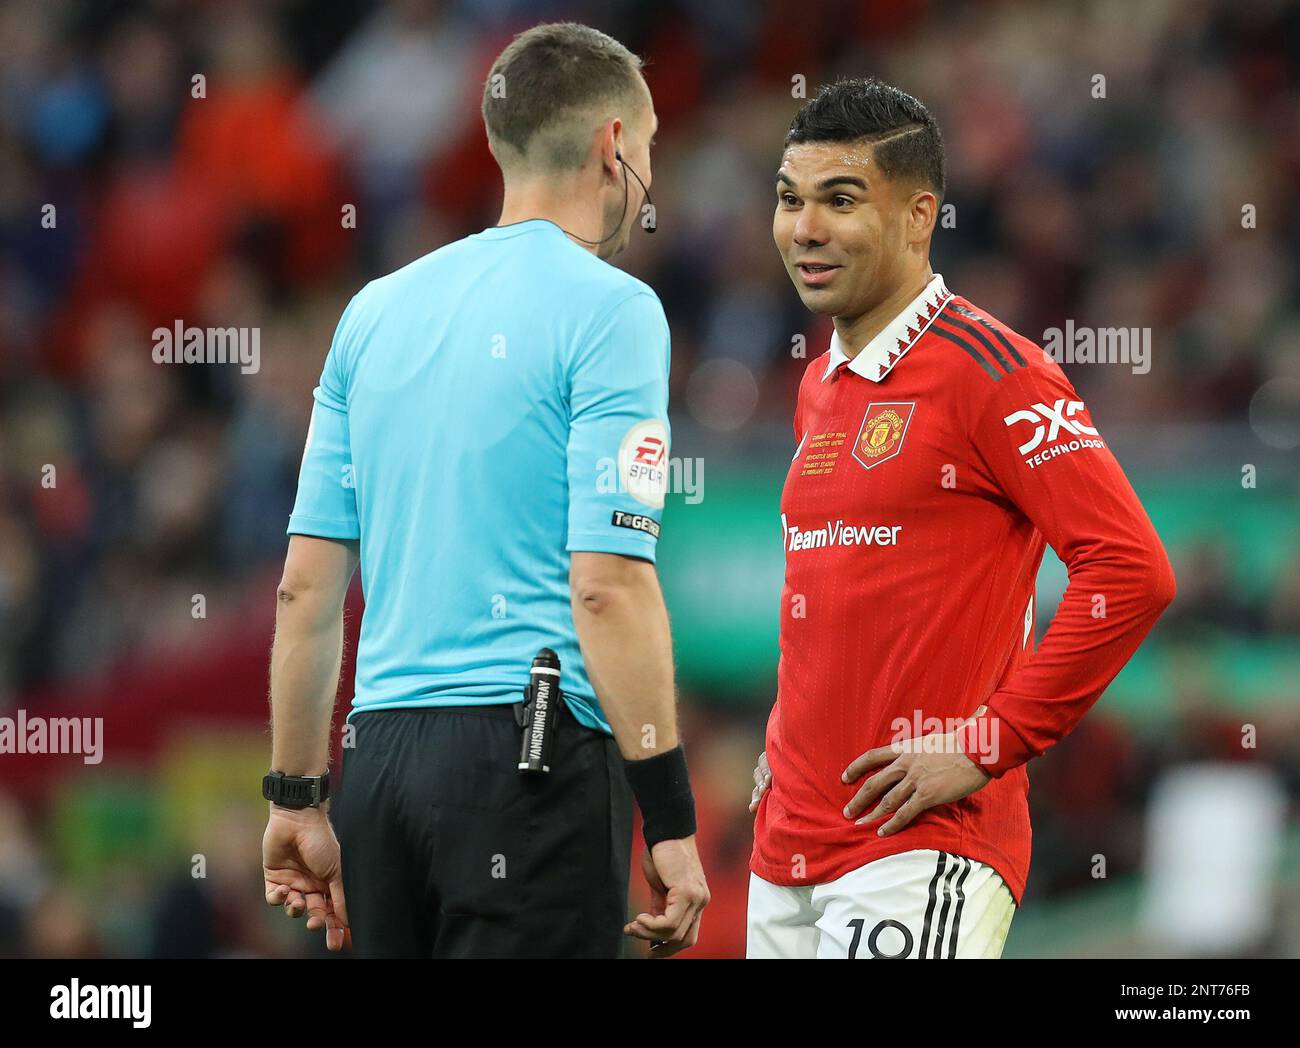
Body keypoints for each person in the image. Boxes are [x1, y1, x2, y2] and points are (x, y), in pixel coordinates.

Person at [260, 22, 708, 959]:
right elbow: (607, 586)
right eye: (651, 144)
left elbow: (305, 590)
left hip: (379, 766)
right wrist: (669, 817)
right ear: (614, 146)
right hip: (530, 760)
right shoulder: (615, 310)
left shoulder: (371, 313)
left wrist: (296, 799)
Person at [747, 78, 1175, 959]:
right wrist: (785, 742)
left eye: (840, 200)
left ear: (918, 216)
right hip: (785, 850)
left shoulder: (997, 371)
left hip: (920, 848)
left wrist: (989, 743)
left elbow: (1131, 572)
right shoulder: (818, 385)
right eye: (790, 200)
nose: (805, 229)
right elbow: (836, 601)